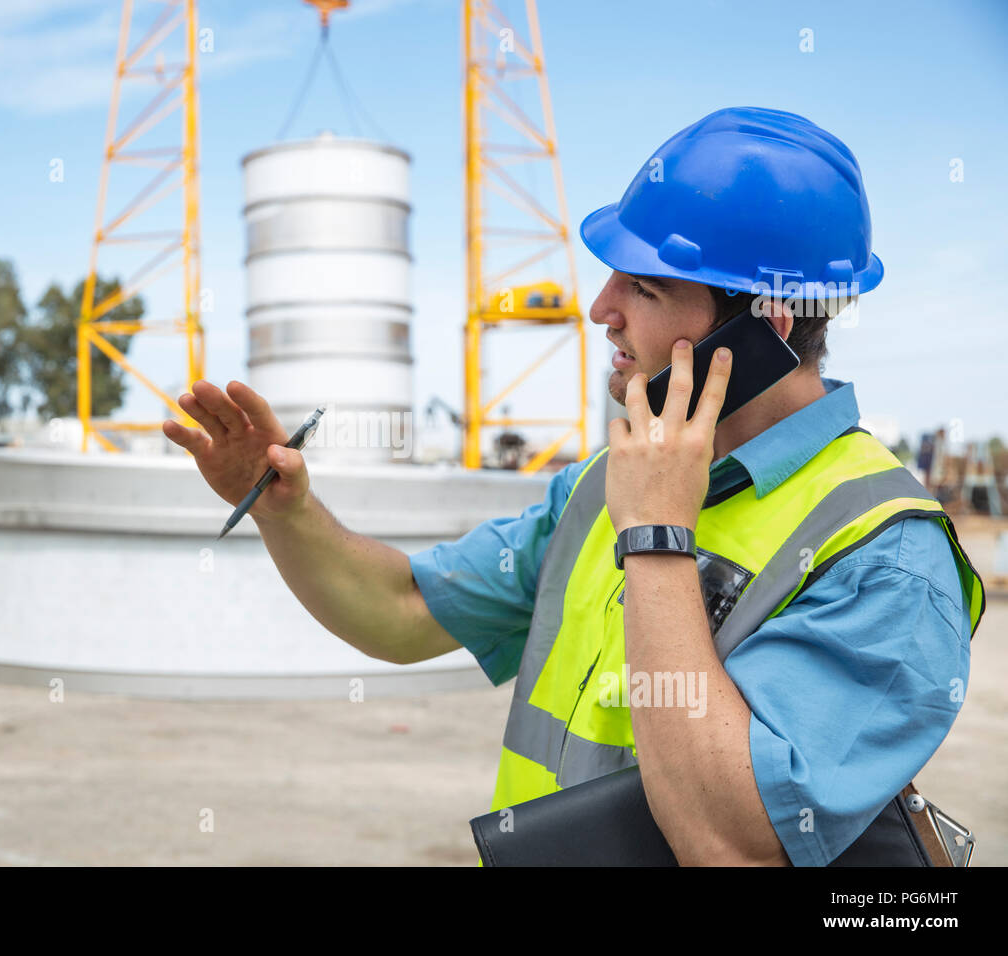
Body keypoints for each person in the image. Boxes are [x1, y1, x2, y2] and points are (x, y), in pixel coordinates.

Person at [161, 107, 985, 866]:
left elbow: (733, 843)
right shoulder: (604, 483)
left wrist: (658, 536)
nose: (601, 309)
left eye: (646, 287)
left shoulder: (888, 555)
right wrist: (285, 506)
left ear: (760, 328)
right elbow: (405, 613)